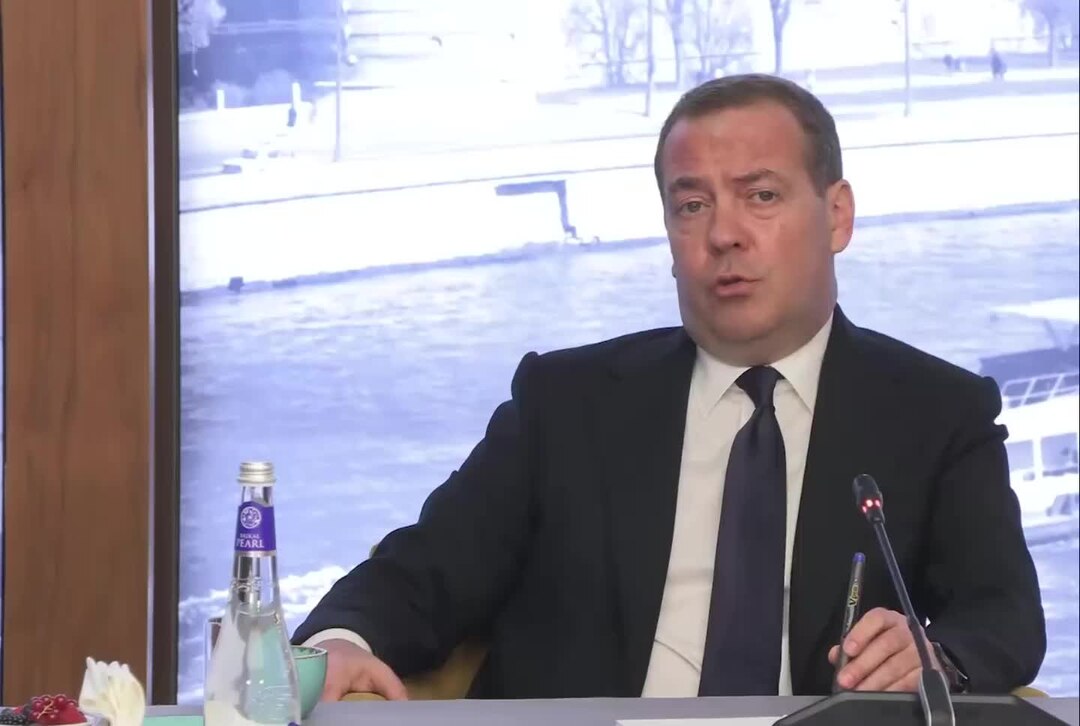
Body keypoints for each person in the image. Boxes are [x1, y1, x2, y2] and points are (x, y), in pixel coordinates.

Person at [292, 74, 1045, 701]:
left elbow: (1003, 614)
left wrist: (938, 655)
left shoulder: (937, 412)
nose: (724, 234)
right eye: (693, 205)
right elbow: (422, 573)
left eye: (761, 196)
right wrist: (339, 641)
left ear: (837, 215)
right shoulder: (567, 404)